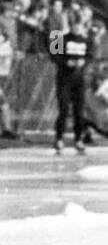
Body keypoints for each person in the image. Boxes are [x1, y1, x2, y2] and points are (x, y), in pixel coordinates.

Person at [52, 9, 93, 154]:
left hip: (79, 80)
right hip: (64, 80)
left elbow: (90, 55)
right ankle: (58, 139)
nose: (78, 29)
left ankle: (78, 139)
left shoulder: (86, 39)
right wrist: (65, 62)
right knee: (63, 110)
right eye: (75, 26)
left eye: (80, 26)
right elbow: (54, 55)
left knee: (79, 111)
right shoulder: (61, 37)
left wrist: (84, 62)